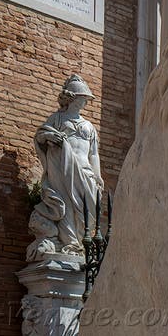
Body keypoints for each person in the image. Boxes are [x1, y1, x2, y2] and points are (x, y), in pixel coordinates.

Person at [27, 74, 104, 259]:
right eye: (82, 98)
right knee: (66, 206)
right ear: (71, 98)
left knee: (86, 211)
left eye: (86, 99)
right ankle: (69, 244)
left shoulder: (89, 126)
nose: (84, 102)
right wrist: (49, 137)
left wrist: (97, 175)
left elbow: (93, 153)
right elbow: (40, 136)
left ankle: (79, 243)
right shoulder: (57, 119)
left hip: (85, 172)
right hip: (62, 171)